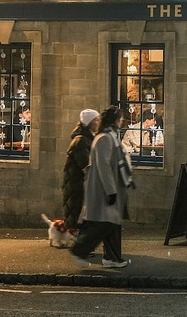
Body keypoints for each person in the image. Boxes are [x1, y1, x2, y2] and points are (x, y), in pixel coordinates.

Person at [70, 106, 134, 269]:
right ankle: (80, 251)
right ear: (114, 120)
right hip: (104, 189)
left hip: (111, 187)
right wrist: (111, 191)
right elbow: (104, 166)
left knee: (111, 223)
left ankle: (112, 257)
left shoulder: (109, 136)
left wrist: (127, 178)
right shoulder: (104, 138)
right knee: (105, 224)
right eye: (119, 119)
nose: (121, 122)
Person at [61, 108, 100, 229]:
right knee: (76, 216)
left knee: (79, 217)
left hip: (79, 183)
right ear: (89, 122)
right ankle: (78, 244)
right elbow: (86, 164)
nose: (98, 123)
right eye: (96, 120)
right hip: (77, 184)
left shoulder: (86, 138)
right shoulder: (81, 140)